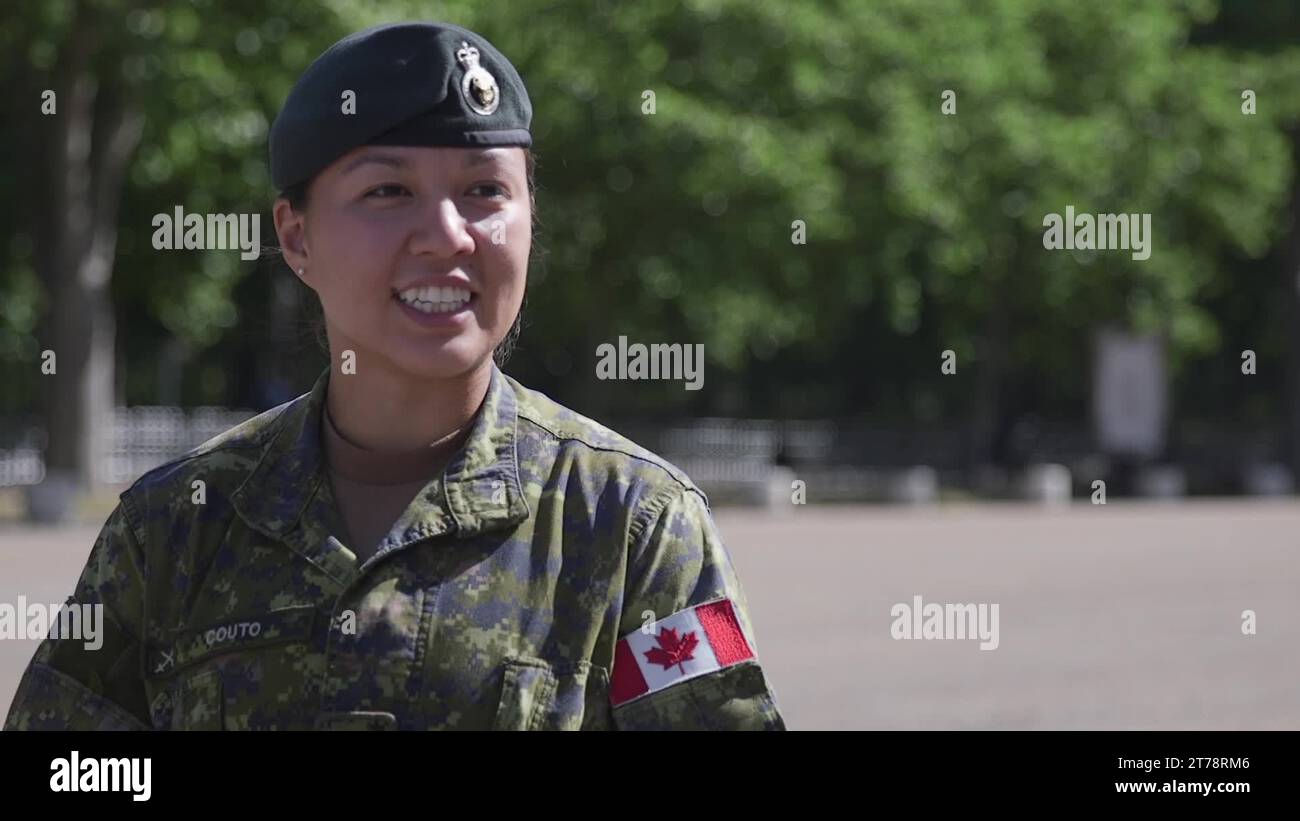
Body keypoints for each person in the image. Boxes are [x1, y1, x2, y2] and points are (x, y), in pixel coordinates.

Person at [4, 21, 786, 731]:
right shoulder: (175, 528)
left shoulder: (632, 525)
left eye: (485, 190)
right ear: (297, 235)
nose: (447, 235)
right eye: (389, 191)